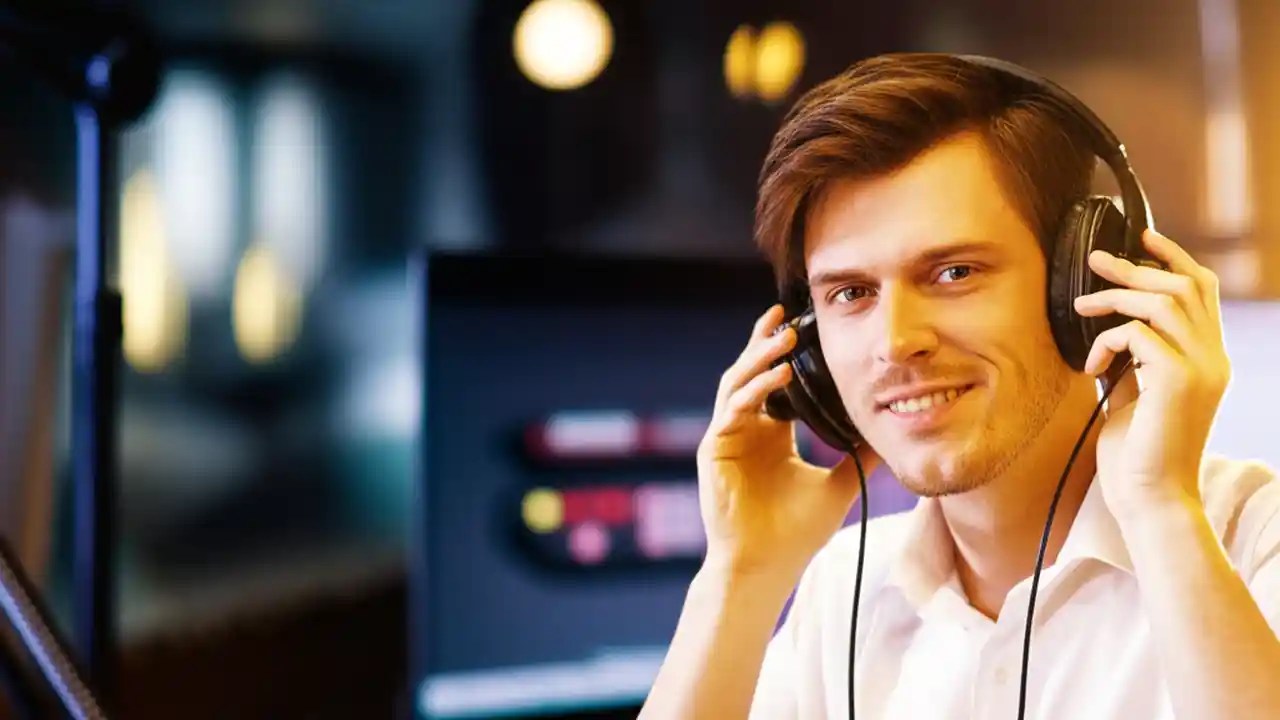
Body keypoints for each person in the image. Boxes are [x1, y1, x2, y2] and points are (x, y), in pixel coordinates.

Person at [638, 53, 1280, 719]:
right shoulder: (845, 596)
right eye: (852, 293)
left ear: (1090, 285)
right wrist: (739, 576)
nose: (895, 341)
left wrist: (1159, 511)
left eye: (954, 273)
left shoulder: (1255, 538)